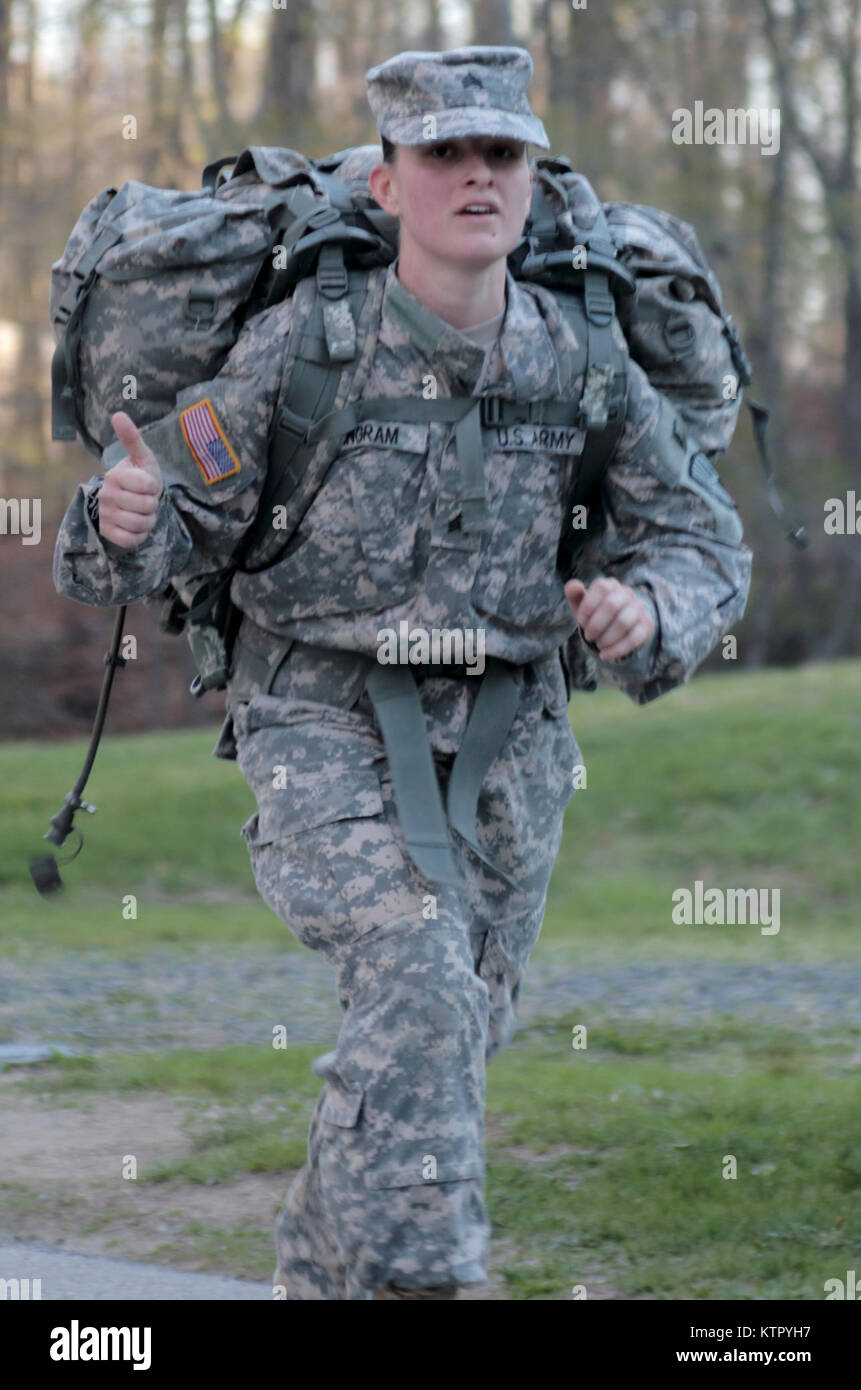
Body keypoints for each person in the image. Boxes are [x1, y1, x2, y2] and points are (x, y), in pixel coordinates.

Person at [53, 45, 752, 1300]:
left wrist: (651, 612)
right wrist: (125, 517)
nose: (476, 175)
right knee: (419, 973)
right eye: (445, 154)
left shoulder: (580, 365)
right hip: (322, 722)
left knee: (440, 1035)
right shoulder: (301, 348)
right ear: (388, 185)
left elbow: (703, 539)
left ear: (532, 184)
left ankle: (319, 1280)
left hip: (513, 741)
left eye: (502, 155)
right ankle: (433, 1285)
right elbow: (167, 520)